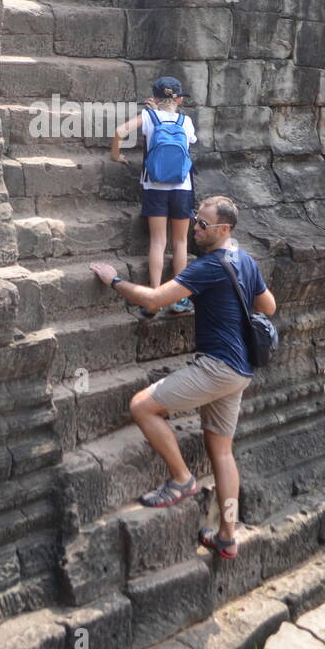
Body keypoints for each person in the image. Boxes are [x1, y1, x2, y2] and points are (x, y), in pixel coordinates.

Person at [89, 196, 276, 559]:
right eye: (195, 220)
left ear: (224, 229)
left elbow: (154, 300)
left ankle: (181, 479)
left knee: (142, 407)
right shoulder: (245, 260)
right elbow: (268, 306)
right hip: (241, 370)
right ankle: (227, 536)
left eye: (203, 225)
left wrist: (114, 280)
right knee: (222, 452)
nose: (195, 229)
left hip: (218, 367)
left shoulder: (208, 267)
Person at [110, 76, 196, 320]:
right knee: (180, 242)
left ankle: (154, 298)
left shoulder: (148, 116)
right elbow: (190, 143)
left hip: (154, 186)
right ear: (179, 99)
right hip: (182, 186)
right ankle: (178, 299)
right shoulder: (186, 121)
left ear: (155, 98)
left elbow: (119, 132)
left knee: (158, 241)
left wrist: (116, 156)